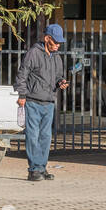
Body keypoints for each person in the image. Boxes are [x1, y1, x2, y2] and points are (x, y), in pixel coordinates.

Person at [13, 23, 70, 181]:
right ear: (47, 38)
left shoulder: (57, 57)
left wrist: (61, 82)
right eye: (55, 42)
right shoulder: (33, 53)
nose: (58, 45)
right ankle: (33, 170)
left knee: (45, 136)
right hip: (32, 101)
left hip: (49, 102)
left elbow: (58, 76)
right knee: (32, 135)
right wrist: (22, 95)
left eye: (59, 42)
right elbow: (22, 75)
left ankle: (42, 168)